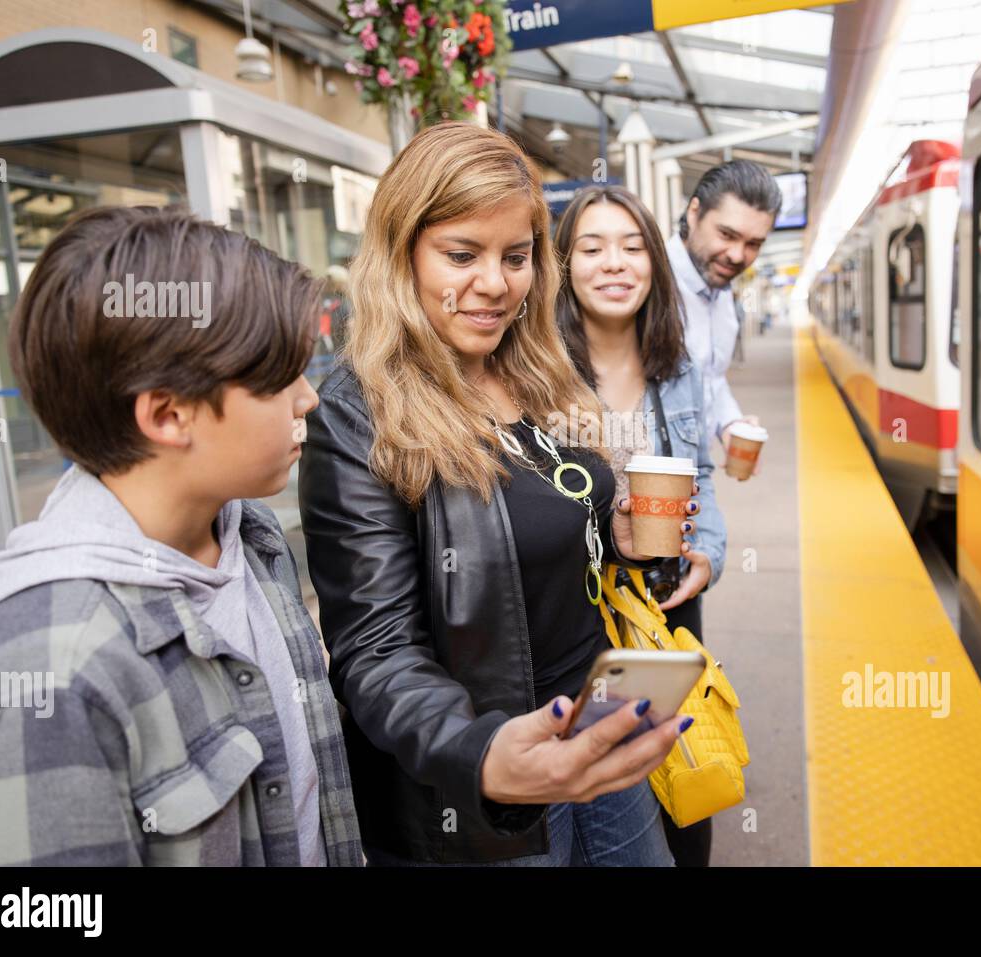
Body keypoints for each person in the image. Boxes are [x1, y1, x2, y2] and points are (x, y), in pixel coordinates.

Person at [297, 122, 701, 866]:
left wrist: (628, 540)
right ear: (401, 251)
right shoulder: (357, 411)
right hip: (491, 781)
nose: (494, 283)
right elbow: (374, 652)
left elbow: (551, 532)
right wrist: (485, 755)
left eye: (517, 257)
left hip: (601, 717)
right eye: (461, 254)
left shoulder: (540, 370)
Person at [0, 206, 362, 866]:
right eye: (279, 377)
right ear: (170, 414)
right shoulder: (43, 662)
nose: (307, 398)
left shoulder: (248, 536)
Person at [555, 184, 727, 866]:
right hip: (581, 611)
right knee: (601, 788)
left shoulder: (677, 368)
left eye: (631, 247)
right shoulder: (537, 370)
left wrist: (708, 552)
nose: (614, 263)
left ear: (655, 261)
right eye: (592, 248)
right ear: (564, 265)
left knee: (686, 788)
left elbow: (701, 477)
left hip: (666, 603)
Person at [667, 159, 782, 467]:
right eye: (727, 234)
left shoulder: (720, 291)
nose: (737, 255)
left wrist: (730, 423)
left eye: (753, 243)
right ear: (694, 213)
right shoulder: (645, 282)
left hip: (695, 464)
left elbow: (712, 378)